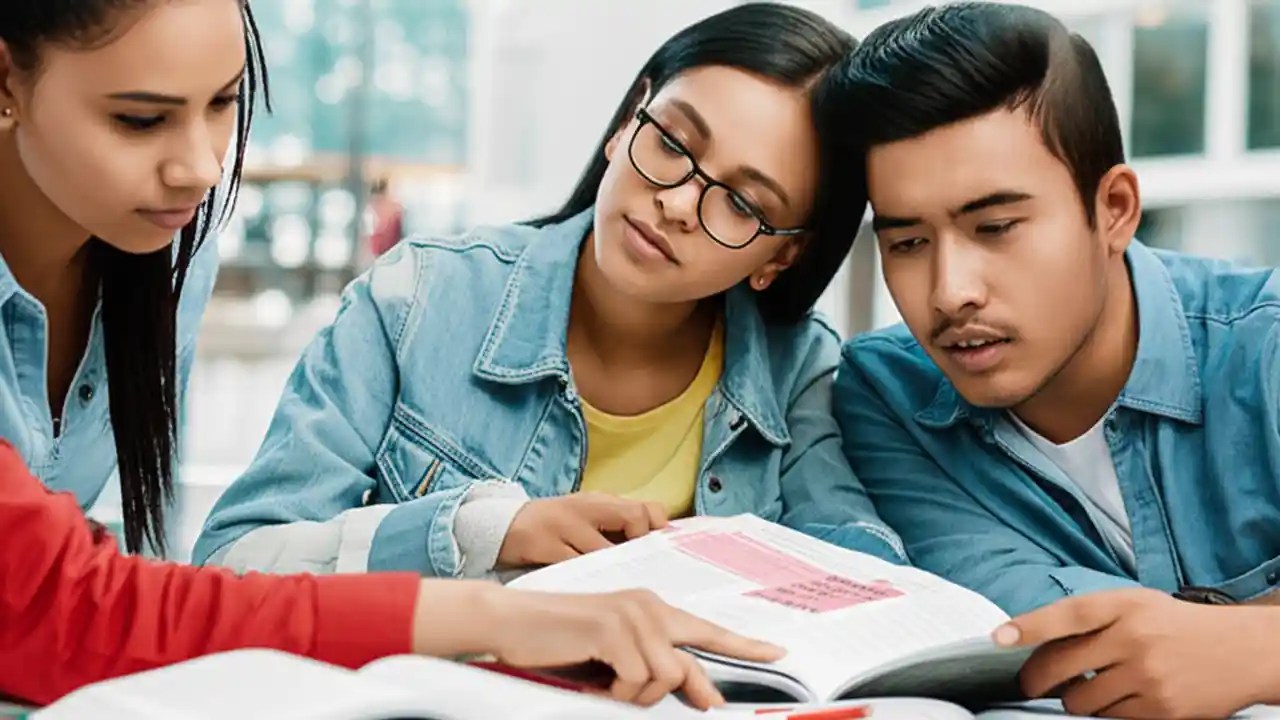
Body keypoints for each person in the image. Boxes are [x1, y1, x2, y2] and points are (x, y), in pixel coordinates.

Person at [0, 1, 781, 709]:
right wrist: (490, 597)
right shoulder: (422, 293)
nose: (203, 166)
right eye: (141, 119)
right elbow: (65, 606)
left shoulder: (164, 245)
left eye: (226, 102)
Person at [193, 2, 904, 580]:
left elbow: (858, 566)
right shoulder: (420, 299)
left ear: (780, 258)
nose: (679, 204)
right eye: (672, 143)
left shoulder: (796, 371)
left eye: (742, 204)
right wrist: (481, 532)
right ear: (628, 122)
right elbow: (234, 563)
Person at [826, 3, 1280, 718]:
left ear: (1115, 210)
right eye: (907, 243)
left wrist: (1259, 649)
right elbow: (1011, 622)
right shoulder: (886, 394)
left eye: (996, 227)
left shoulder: (1265, 348)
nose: (951, 294)